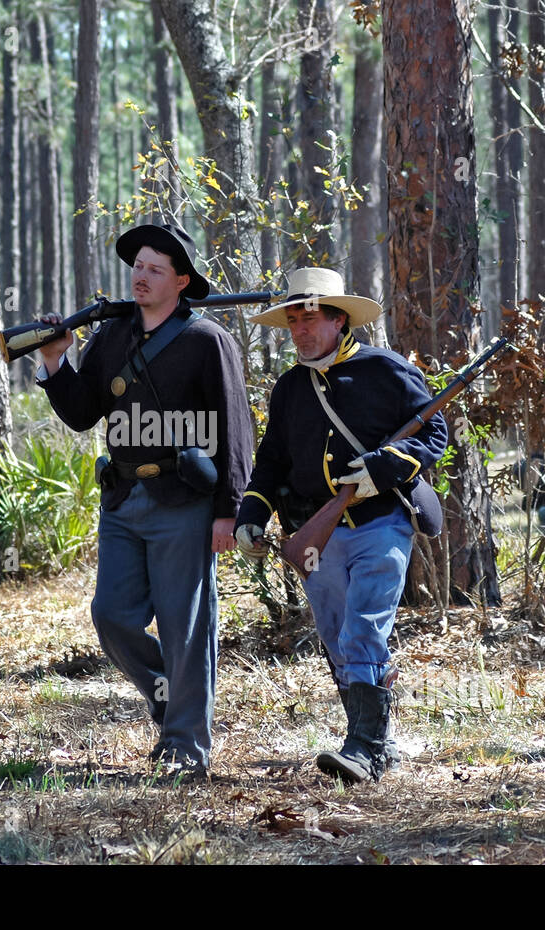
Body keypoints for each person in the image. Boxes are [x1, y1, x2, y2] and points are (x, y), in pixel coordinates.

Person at [34, 221, 253, 780]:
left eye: (156, 269)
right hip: (123, 498)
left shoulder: (208, 341)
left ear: (182, 281)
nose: (142, 277)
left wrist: (229, 510)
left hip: (185, 501)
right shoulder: (111, 337)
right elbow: (83, 412)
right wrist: (58, 360)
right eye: (138, 267)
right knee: (112, 616)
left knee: (186, 626)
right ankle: (171, 695)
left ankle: (186, 745)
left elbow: (234, 429)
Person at [233, 268, 447, 784]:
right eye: (293, 323)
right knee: (334, 636)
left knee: (364, 628)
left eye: (309, 320)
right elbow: (272, 460)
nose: (300, 332)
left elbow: (434, 433)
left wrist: (385, 466)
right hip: (316, 533)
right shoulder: (289, 389)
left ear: (337, 319)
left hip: (380, 523)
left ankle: (365, 750)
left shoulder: (387, 371)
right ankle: (378, 740)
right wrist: (251, 514)